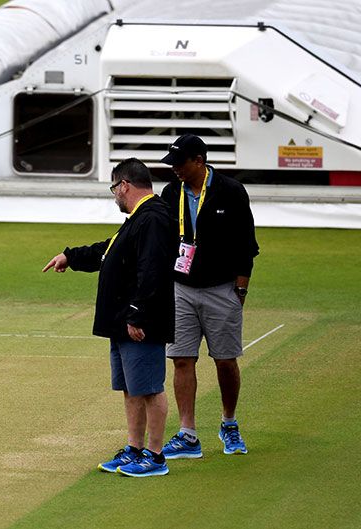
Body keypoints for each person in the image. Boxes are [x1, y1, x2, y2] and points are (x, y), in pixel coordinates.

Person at [43, 158, 177, 477]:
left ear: (125, 185)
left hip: (139, 322)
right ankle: (135, 449)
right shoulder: (139, 219)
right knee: (131, 388)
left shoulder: (153, 219)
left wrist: (137, 314)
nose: (114, 195)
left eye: (114, 188)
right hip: (123, 322)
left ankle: (155, 457)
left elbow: (153, 271)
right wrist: (71, 257)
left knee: (149, 389)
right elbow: (109, 252)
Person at [158, 134, 260, 458]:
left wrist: (240, 290)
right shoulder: (171, 192)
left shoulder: (231, 191)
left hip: (221, 289)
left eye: (180, 162)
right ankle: (188, 433)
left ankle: (229, 422)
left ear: (199, 161)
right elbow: (160, 240)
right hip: (181, 289)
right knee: (181, 359)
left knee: (225, 361)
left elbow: (247, 245)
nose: (174, 168)